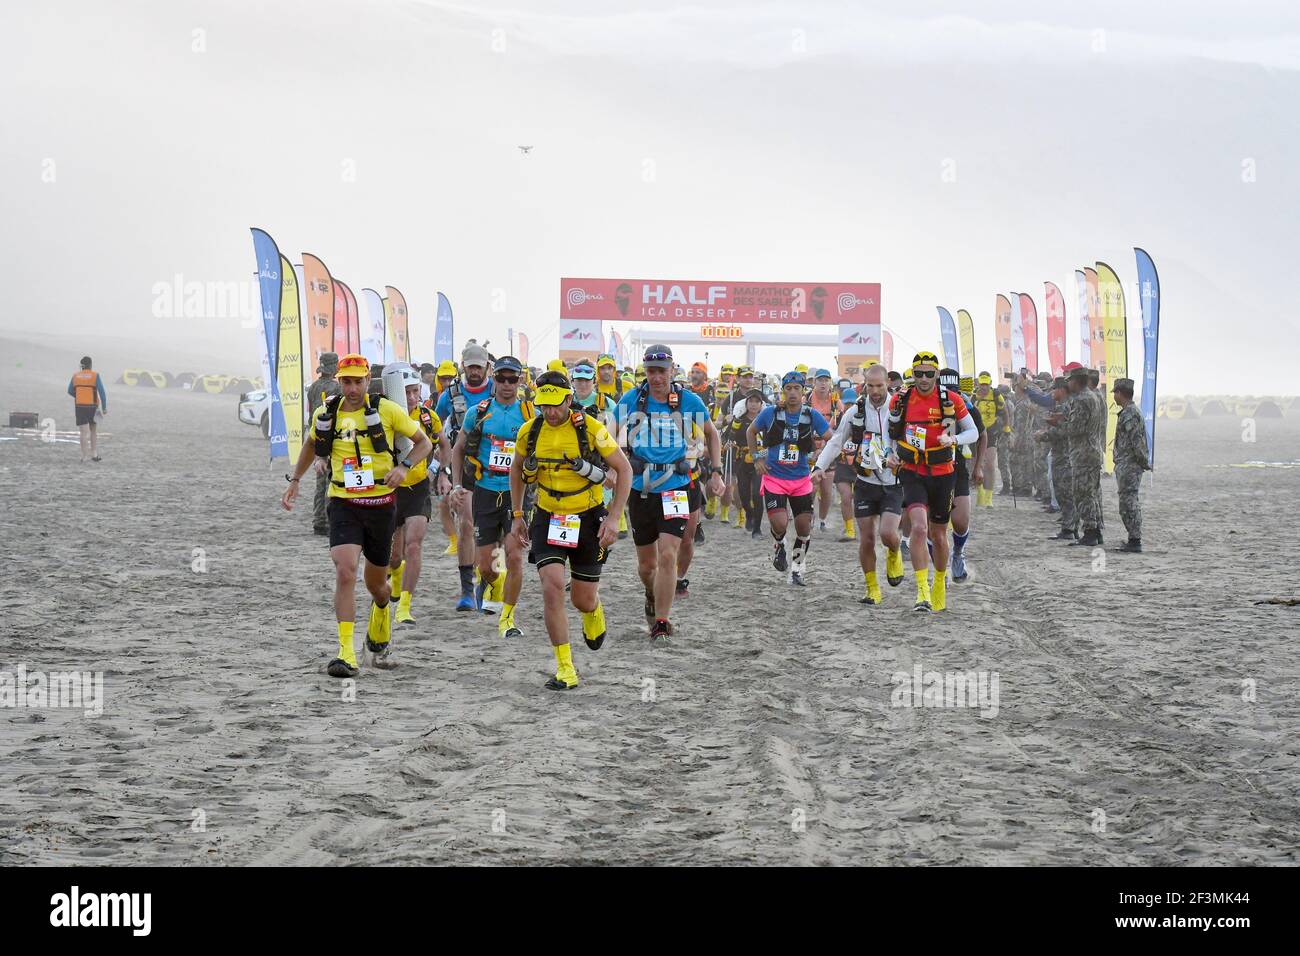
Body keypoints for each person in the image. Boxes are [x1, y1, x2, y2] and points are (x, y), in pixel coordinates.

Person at [281, 353, 433, 678]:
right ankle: (346, 652)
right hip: (344, 502)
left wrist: (404, 468)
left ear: (367, 381)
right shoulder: (327, 413)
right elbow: (311, 445)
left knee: (377, 586)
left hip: (381, 507)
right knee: (345, 571)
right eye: (346, 381)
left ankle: (381, 613)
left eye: (357, 382)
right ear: (339, 381)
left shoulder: (388, 410)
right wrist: (295, 480)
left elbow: (424, 443)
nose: (351, 388)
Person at [509, 371, 631, 687]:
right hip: (548, 515)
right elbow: (516, 468)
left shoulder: (590, 429)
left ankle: (593, 613)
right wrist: (518, 513)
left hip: (587, 517)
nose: (550, 412)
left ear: (568, 399)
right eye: (543, 405)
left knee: (582, 599)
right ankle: (565, 668)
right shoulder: (529, 431)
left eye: (555, 405)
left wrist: (614, 516)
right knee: (551, 587)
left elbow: (624, 469)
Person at [610, 344, 724, 644]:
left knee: (668, 555)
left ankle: (661, 621)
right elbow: (608, 431)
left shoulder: (688, 400)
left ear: (672, 370)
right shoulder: (632, 399)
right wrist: (613, 463)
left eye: (661, 371)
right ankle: (650, 592)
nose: (656, 377)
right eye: (651, 371)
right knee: (647, 566)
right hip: (640, 489)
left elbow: (712, 433)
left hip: (676, 486)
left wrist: (715, 471)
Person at [887, 351, 978, 612]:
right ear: (913, 375)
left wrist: (954, 440)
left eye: (929, 373)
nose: (924, 378)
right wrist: (889, 454)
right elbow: (889, 432)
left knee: (938, 534)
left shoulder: (951, 400)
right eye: (919, 374)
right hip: (912, 470)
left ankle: (939, 581)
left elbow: (972, 431)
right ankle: (922, 591)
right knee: (918, 528)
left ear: (937, 374)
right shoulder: (900, 399)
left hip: (943, 472)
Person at [814, 363, 904, 605]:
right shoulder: (856, 411)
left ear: (887, 384)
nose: (875, 391)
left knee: (888, 534)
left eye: (880, 386)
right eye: (870, 386)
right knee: (866, 539)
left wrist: (902, 457)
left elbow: (913, 439)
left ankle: (894, 554)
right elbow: (835, 441)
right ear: (864, 385)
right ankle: (872, 589)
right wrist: (819, 467)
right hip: (864, 481)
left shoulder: (900, 408)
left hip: (893, 482)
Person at [450, 356, 533, 616]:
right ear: (493, 379)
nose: (507, 384)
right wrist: (455, 485)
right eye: (501, 378)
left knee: (515, 555)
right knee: (485, 566)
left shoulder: (531, 414)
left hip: (516, 492)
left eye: (512, 379)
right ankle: (493, 586)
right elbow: (458, 450)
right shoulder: (479, 412)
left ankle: (507, 617)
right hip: (485, 489)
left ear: (520, 380)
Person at [749, 371, 833, 586]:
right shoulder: (770, 413)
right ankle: (780, 544)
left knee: (804, 528)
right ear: (783, 391)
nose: (793, 393)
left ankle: (797, 569)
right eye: (789, 389)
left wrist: (820, 463)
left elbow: (830, 439)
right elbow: (751, 431)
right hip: (774, 477)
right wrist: (757, 457)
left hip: (801, 480)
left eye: (797, 389)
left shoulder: (811, 415)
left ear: (803, 391)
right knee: (779, 524)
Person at [389, 367, 454, 625]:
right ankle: (395, 575)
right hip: (391, 488)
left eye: (416, 391)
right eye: (407, 392)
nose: (413, 397)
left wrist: (441, 473)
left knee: (414, 544)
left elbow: (444, 445)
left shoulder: (428, 417)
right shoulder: (386, 414)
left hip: (418, 488)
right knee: (394, 556)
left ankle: (405, 605)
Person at [436, 344, 494, 559]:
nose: (475, 372)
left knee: (491, 527)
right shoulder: (450, 395)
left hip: (492, 465)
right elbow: (436, 423)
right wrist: (441, 451)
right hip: (462, 461)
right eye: (471, 367)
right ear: (463, 366)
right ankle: (471, 575)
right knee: (467, 522)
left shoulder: (499, 391)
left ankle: (488, 570)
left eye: (479, 367)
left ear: (487, 367)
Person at [941, 369, 986, 582]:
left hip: (957, 466)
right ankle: (940, 574)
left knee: (960, 521)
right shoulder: (921, 404)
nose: (950, 394)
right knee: (935, 524)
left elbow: (981, 436)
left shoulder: (966, 406)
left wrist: (978, 466)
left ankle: (958, 554)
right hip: (928, 468)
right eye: (946, 389)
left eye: (954, 390)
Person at [1056, 365, 1103, 546]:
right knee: (1090, 493)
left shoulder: (1082, 399)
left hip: (1084, 454)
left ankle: (1090, 532)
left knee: (1082, 494)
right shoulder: (1093, 396)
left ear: (1076, 381)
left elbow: (1076, 428)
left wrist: (1058, 424)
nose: (1068, 383)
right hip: (1090, 452)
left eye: (1069, 380)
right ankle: (1095, 531)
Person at [303, 353, 343, 534]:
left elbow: (311, 413)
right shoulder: (337, 388)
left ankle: (318, 520)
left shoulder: (313, 387)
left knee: (320, 481)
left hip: (315, 436)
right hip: (332, 438)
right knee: (332, 481)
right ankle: (329, 520)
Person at [1111, 378, 1150, 552]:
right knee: (1127, 501)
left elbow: (1136, 442)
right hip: (1127, 464)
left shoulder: (1130, 414)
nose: (1114, 397)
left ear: (1120, 393)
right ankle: (1133, 538)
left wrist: (1143, 462)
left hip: (1130, 466)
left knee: (1129, 502)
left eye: (1115, 393)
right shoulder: (1129, 412)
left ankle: (1135, 540)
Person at [726, 389, 766, 537]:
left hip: (760, 462)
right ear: (746, 403)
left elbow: (772, 443)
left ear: (761, 404)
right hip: (742, 461)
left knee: (757, 493)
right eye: (751, 401)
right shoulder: (739, 420)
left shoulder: (766, 420)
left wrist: (759, 454)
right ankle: (749, 514)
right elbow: (726, 436)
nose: (754, 405)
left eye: (757, 402)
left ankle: (757, 528)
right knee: (743, 494)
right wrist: (727, 443)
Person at [807, 369, 843, 533]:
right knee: (811, 488)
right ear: (814, 382)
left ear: (830, 383)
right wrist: (815, 449)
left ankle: (822, 520)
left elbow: (841, 428)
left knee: (827, 491)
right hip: (809, 449)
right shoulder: (806, 400)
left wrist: (826, 448)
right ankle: (808, 517)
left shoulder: (836, 402)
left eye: (826, 380)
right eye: (820, 380)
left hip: (829, 449)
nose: (823, 383)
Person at [68, 356, 107, 463]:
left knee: (83, 432)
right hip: (93, 407)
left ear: (82, 366)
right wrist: (104, 407)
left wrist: (79, 395)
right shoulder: (95, 375)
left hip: (80, 406)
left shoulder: (75, 376)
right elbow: (102, 393)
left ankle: (84, 456)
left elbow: (69, 390)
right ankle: (94, 453)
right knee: (93, 430)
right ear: (90, 365)